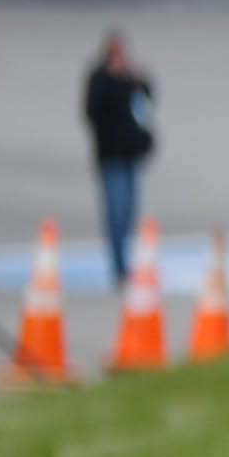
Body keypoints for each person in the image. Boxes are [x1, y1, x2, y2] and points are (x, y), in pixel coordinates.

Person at [84, 31, 156, 287]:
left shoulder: (132, 81)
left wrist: (138, 80)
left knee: (128, 212)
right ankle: (119, 267)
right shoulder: (99, 80)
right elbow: (92, 113)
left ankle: (124, 261)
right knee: (115, 210)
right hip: (110, 157)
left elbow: (146, 108)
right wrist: (113, 80)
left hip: (130, 156)